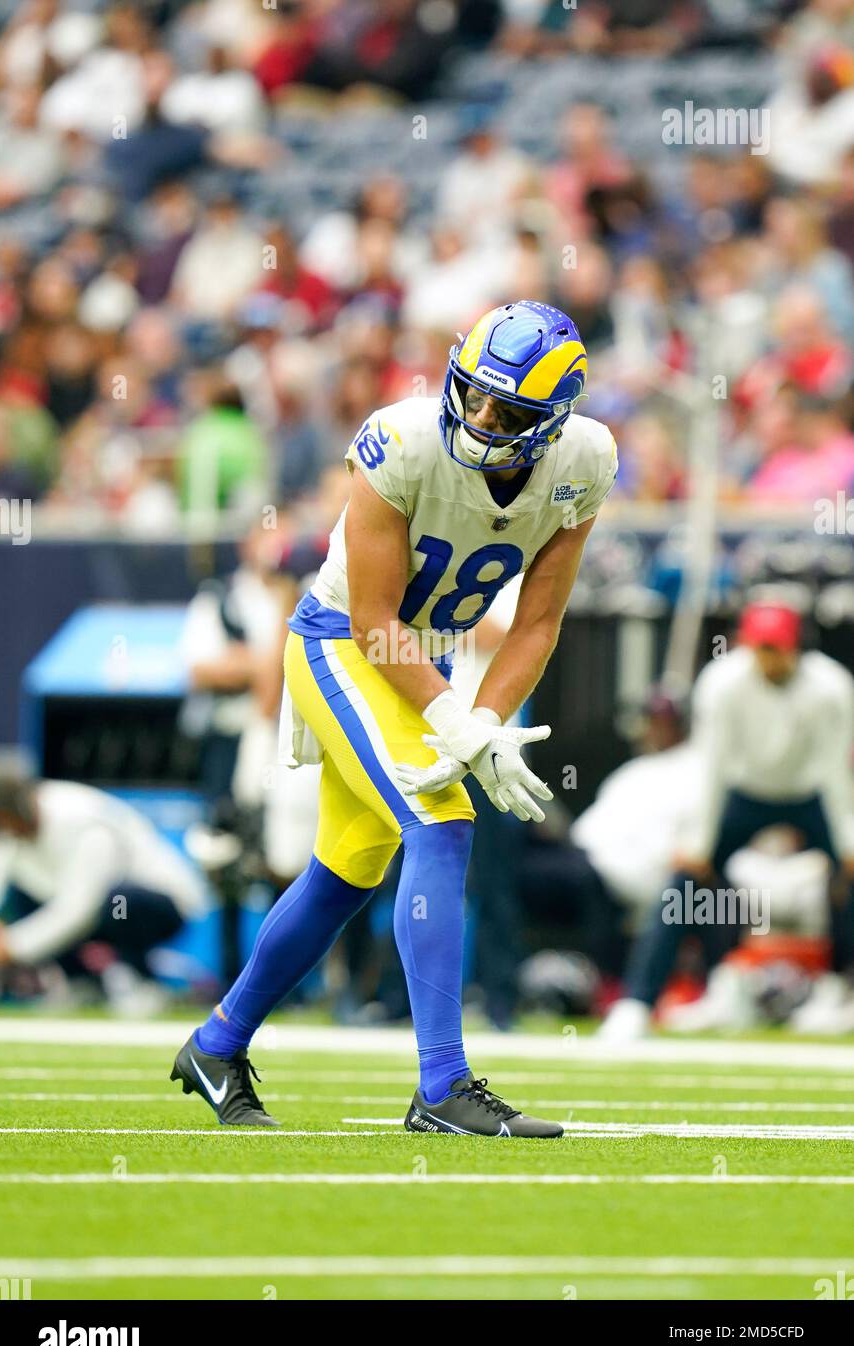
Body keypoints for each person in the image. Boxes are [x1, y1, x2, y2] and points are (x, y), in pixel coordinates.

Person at [171, 298, 618, 1135]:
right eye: (475, 394)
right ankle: (442, 1086)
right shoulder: (402, 441)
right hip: (341, 643)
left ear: (553, 422)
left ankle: (216, 1043)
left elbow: (539, 622)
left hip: (432, 655)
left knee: (345, 874)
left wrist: (480, 723)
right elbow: (374, 617)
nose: (482, 418)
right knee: (441, 823)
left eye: (509, 411)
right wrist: (453, 719)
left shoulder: (584, 461)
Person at [603, 602, 854, 1040]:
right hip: (744, 793)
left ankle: (839, 990)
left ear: (796, 647)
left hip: (810, 795)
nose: (766, 657)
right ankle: (637, 1003)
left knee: (849, 873)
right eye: (759, 647)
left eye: (775, 648)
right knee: (685, 878)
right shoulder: (722, 682)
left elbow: (837, 769)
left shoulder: (832, 686)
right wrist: (697, 843)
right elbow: (712, 764)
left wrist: (848, 841)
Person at [0, 758, 207, 1003]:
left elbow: (80, 910)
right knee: (24, 892)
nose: (2, 826)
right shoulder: (8, 835)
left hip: (154, 903)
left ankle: (136, 978)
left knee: (118, 902)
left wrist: (11, 946)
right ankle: (81, 983)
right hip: (96, 910)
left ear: (17, 809)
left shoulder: (82, 820)